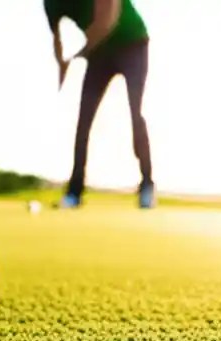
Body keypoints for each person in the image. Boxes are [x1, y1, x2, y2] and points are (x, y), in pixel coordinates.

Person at [46, 0, 155, 209]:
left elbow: (107, 20)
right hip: (99, 53)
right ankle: (74, 192)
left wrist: (81, 52)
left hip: (132, 42)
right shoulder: (51, 3)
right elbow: (57, 38)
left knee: (136, 113)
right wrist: (62, 66)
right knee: (84, 121)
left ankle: (147, 186)